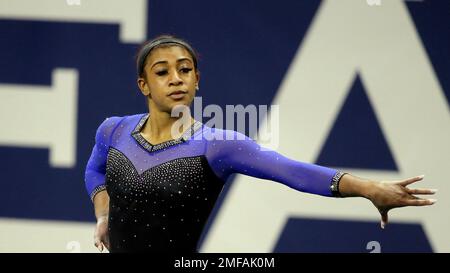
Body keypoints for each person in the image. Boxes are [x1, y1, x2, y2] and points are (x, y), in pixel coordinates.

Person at [84, 34, 437, 253]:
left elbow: (293, 171)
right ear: (143, 85)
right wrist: (104, 215)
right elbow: (95, 170)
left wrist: (369, 188)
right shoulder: (113, 131)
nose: (176, 79)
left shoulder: (217, 146)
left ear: (197, 79)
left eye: (185, 69)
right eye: (162, 72)